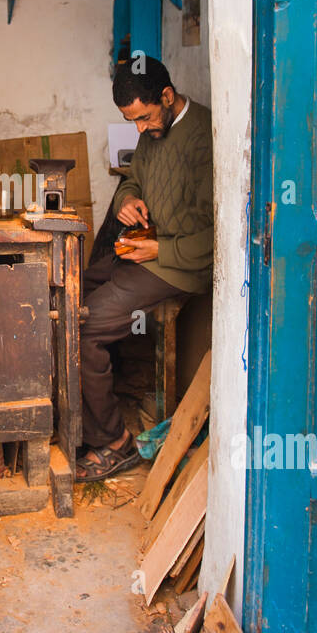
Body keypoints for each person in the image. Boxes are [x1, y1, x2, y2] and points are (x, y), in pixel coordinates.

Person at [76, 54, 213, 481]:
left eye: (144, 117)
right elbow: (131, 181)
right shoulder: (154, 131)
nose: (140, 129)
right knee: (69, 290)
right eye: (130, 120)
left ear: (168, 97)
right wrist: (126, 202)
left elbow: (220, 236)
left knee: (85, 328)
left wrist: (160, 250)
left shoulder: (205, 137)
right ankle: (77, 409)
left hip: (178, 266)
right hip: (144, 251)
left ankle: (114, 442)